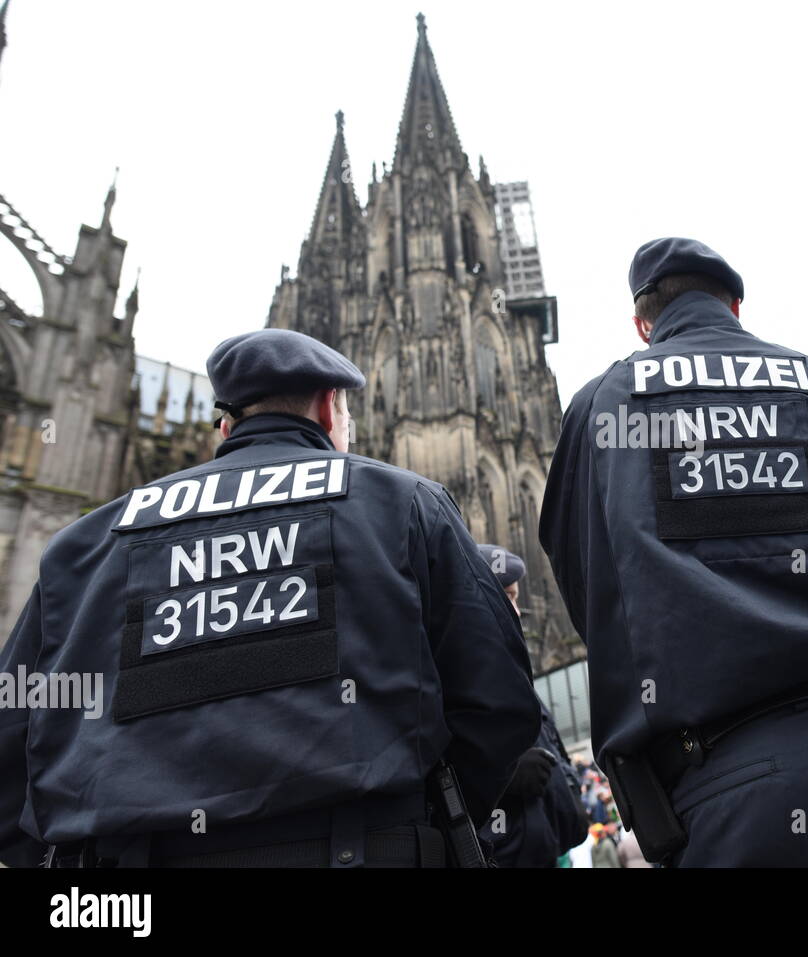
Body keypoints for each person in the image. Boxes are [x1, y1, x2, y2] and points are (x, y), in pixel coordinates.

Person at [0, 328, 539, 868]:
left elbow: (14, 732)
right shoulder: (405, 504)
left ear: (226, 426)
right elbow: (500, 699)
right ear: (330, 411)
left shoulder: (87, 543)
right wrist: (427, 822)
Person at [540, 237, 808, 867]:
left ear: (643, 323)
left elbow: (582, 580)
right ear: (736, 306)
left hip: (727, 783)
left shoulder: (603, 402)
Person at [474, 544, 589, 867]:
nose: (517, 608)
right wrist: (503, 779)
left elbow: (552, 746)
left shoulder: (513, 666)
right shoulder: (456, 668)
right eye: (508, 595)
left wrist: (569, 789)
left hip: (550, 847)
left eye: (516, 596)